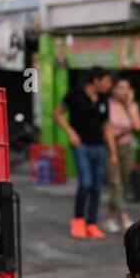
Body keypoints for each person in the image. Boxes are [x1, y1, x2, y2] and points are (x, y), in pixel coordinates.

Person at [54, 67, 114, 241]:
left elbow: (106, 126)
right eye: (107, 81)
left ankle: (92, 223)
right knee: (86, 183)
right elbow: (57, 115)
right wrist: (71, 134)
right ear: (96, 80)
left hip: (99, 147)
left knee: (97, 186)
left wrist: (113, 151)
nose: (109, 85)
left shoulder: (104, 99)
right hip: (81, 146)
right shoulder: (74, 94)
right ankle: (79, 220)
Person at [103, 74, 140, 234]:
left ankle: (110, 217)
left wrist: (128, 103)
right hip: (112, 148)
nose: (124, 91)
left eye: (126, 88)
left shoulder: (131, 106)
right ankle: (125, 217)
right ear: (113, 90)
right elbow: (108, 132)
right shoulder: (107, 106)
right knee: (115, 182)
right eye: (120, 88)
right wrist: (112, 153)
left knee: (123, 183)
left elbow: (138, 125)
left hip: (127, 148)